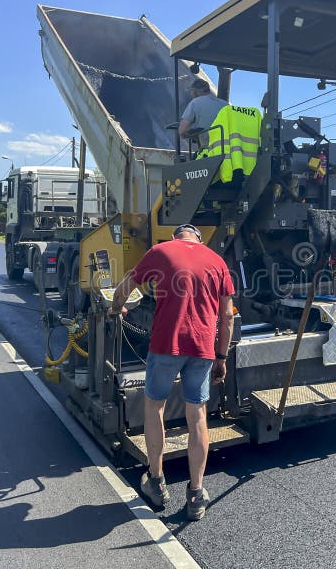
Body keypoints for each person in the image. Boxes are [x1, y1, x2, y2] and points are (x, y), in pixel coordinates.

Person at [110, 223, 235, 520]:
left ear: (176, 237)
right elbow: (227, 315)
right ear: (199, 239)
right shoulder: (217, 261)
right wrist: (221, 357)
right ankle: (195, 494)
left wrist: (116, 309)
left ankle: (156, 482)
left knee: (155, 407)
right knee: (197, 414)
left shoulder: (160, 251)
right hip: (203, 348)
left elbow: (125, 288)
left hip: (166, 343)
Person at [178, 78, 228, 149]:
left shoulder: (195, 102)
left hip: (208, 149)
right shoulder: (226, 104)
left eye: (191, 91)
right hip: (228, 147)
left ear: (195, 93)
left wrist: (186, 134)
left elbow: (182, 130)